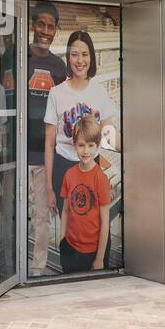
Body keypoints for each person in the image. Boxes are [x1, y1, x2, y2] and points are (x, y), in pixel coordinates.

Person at [43, 30, 120, 242]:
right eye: (75, 54)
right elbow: (49, 144)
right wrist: (50, 188)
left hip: (90, 168)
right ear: (68, 58)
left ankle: (96, 268)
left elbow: (108, 137)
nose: (80, 60)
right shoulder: (56, 93)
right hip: (63, 168)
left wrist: (136, 145)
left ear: (91, 57)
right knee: (70, 233)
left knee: (92, 228)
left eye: (85, 54)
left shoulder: (100, 92)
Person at [26, 1, 67, 276]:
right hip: (15, 155)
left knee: (41, 216)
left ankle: (37, 268)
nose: (45, 30)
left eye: (50, 26)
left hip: (43, 156)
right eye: (40, 24)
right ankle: (10, 264)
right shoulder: (19, 57)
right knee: (13, 215)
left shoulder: (58, 67)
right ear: (31, 25)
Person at [58, 116, 111, 273]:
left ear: (97, 146)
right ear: (74, 145)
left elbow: (105, 222)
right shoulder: (69, 174)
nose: (86, 151)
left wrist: (100, 258)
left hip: (92, 252)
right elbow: (66, 210)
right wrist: (62, 239)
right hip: (70, 248)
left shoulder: (100, 179)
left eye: (90, 145)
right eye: (81, 145)